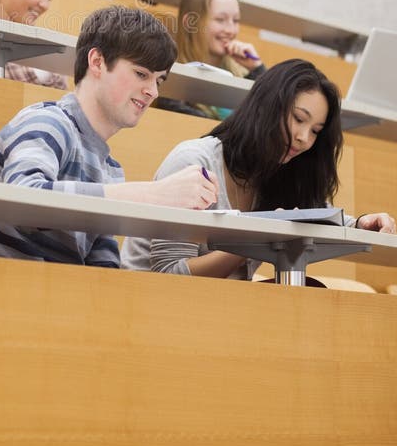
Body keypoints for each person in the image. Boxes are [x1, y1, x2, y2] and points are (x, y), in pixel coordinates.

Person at [0, 5, 219, 265]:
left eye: (158, 80)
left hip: (53, 297)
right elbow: (24, 198)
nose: (153, 92)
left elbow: (102, 270)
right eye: (141, 74)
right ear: (97, 62)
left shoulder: (110, 170)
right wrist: (153, 195)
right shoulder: (47, 122)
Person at [122, 58, 396, 280]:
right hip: (149, 303)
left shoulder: (279, 171)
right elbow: (168, 275)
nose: (304, 138)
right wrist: (256, 239)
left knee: (309, 292)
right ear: (266, 108)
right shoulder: (194, 162)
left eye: (315, 131)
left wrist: (361, 223)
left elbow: (316, 213)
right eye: (298, 119)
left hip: (219, 308)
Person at [158, 0, 266, 119]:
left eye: (236, 20)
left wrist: (257, 69)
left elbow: (270, 117)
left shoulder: (242, 74)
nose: (230, 30)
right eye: (220, 20)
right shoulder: (171, 78)